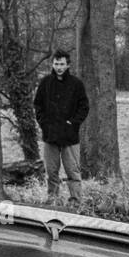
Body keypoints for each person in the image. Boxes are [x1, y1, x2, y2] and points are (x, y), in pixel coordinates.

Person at [33, 50, 89, 203]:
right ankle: (53, 200)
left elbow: (84, 107)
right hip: (50, 136)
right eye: (56, 64)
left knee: (73, 172)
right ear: (52, 64)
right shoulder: (45, 83)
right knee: (51, 172)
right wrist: (44, 123)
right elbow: (38, 105)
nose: (59, 67)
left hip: (70, 137)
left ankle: (75, 202)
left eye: (62, 64)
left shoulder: (76, 84)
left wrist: (73, 123)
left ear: (68, 65)